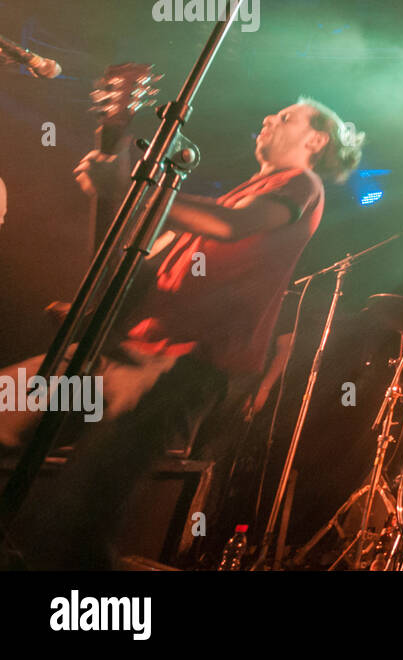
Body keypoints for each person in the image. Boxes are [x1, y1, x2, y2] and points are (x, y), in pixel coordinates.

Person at [4, 98, 363, 568]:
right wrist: (93, 311)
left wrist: (138, 191)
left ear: (315, 140)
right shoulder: (242, 190)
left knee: (78, 511)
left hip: (180, 367)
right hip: (123, 353)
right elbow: (152, 265)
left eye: (285, 117)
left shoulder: (301, 184)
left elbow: (230, 226)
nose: (267, 118)